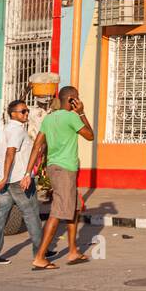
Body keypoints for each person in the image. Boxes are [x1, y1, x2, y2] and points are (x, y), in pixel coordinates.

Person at [26, 86, 94, 271]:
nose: (78, 101)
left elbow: (37, 145)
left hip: (54, 167)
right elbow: (90, 135)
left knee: (74, 209)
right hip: (65, 170)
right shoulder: (72, 116)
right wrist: (82, 113)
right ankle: (40, 257)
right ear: (72, 99)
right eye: (77, 98)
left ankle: (73, 250)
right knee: (57, 212)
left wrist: (28, 172)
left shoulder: (49, 118)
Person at [0, 99, 45, 265]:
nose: (26, 114)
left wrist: (3, 177)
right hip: (19, 180)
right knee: (32, 215)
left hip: (7, 180)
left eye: (27, 111)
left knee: (0, 216)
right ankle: (40, 253)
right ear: (13, 114)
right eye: (23, 111)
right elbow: (10, 153)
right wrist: (8, 177)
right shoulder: (17, 130)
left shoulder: (6, 129)